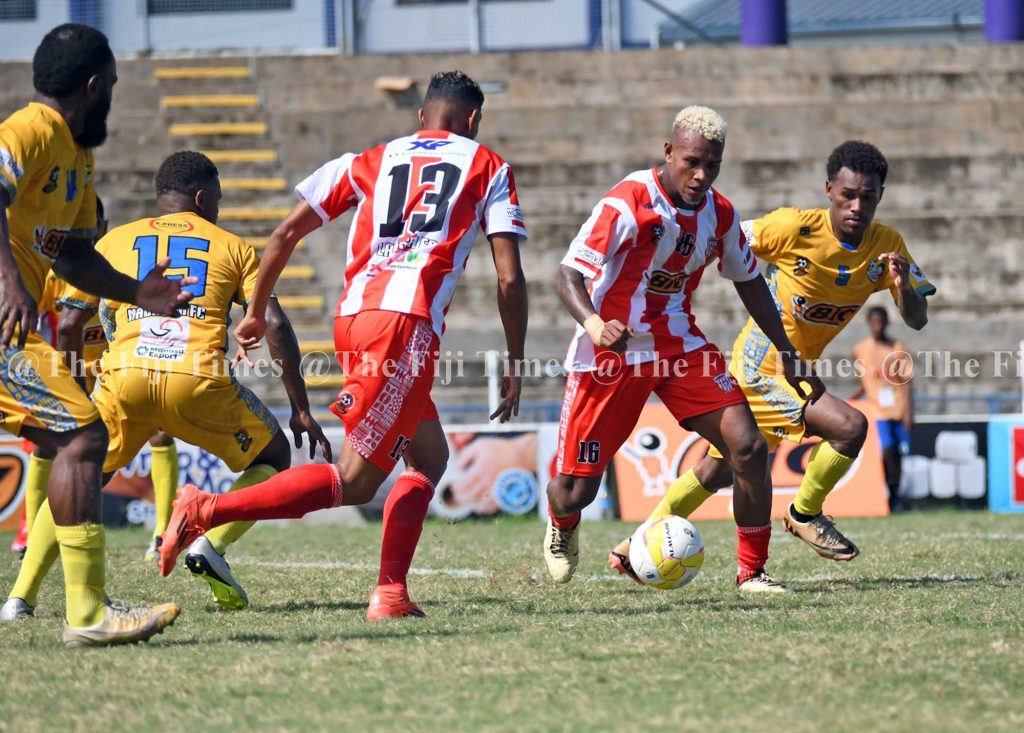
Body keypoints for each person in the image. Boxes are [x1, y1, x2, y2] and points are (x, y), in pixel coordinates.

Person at [158, 71, 529, 620]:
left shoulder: (367, 159)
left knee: (429, 457)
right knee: (354, 481)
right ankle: (207, 509)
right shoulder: (488, 166)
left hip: (355, 317)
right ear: (472, 121)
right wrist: (515, 361)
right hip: (403, 326)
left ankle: (391, 592)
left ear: (422, 116)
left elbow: (284, 234)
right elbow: (509, 278)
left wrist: (256, 310)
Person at [0, 150, 331, 616]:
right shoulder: (233, 246)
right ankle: (211, 543)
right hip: (197, 381)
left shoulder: (114, 240)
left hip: (125, 379)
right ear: (201, 197)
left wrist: (75, 401)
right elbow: (273, 323)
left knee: (79, 474)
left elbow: (71, 323)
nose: (217, 209)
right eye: (216, 200)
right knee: (275, 458)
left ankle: (19, 597)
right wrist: (301, 408)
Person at [610, 140, 935, 572]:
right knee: (850, 426)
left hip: (796, 371)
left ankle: (634, 544)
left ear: (879, 196)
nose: (857, 206)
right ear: (828, 190)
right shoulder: (792, 227)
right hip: (762, 366)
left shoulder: (887, 246)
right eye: (848, 195)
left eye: (868, 197)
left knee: (718, 471)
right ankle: (804, 514)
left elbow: (916, 320)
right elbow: (721, 239)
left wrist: (905, 288)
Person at [545, 105, 825, 593]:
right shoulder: (627, 202)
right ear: (668, 150)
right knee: (574, 491)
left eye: (712, 165)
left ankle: (752, 573)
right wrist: (593, 323)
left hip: (680, 348)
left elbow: (752, 283)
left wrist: (788, 352)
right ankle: (562, 525)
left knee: (750, 447)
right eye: (691, 161)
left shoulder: (720, 214)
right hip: (611, 352)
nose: (701, 175)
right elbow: (567, 274)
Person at [0, 24, 191, 647]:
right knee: (83, 435)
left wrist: (140, 292)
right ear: (92, 87)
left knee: (75, 434)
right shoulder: (29, 130)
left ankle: (83, 608)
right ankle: (85, 613)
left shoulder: (77, 162)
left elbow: (75, 258)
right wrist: (11, 284)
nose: (111, 96)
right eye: (110, 85)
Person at [24, 196, 180, 563]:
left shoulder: (121, 270)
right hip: (70, 370)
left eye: (90, 225)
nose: (85, 232)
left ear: (103, 227)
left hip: (117, 372)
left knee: (160, 431)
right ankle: (33, 536)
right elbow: (35, 321)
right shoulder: (53, 274)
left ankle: (161, 531)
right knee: (49, 446)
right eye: (76, 226)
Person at [852, 306, 913, 511]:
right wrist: (852, 399)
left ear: (887, 322)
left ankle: (896, 493)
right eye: (873, 321)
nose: (877, 325)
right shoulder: (861, 349)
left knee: (899, 453)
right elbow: (867, 381)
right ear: (869, 323)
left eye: (881, 321)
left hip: (898, 408)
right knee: (886, 450)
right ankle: (890, 495)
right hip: (877, 411)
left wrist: (909, 414)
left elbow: (906, 382)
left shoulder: (897, 347)